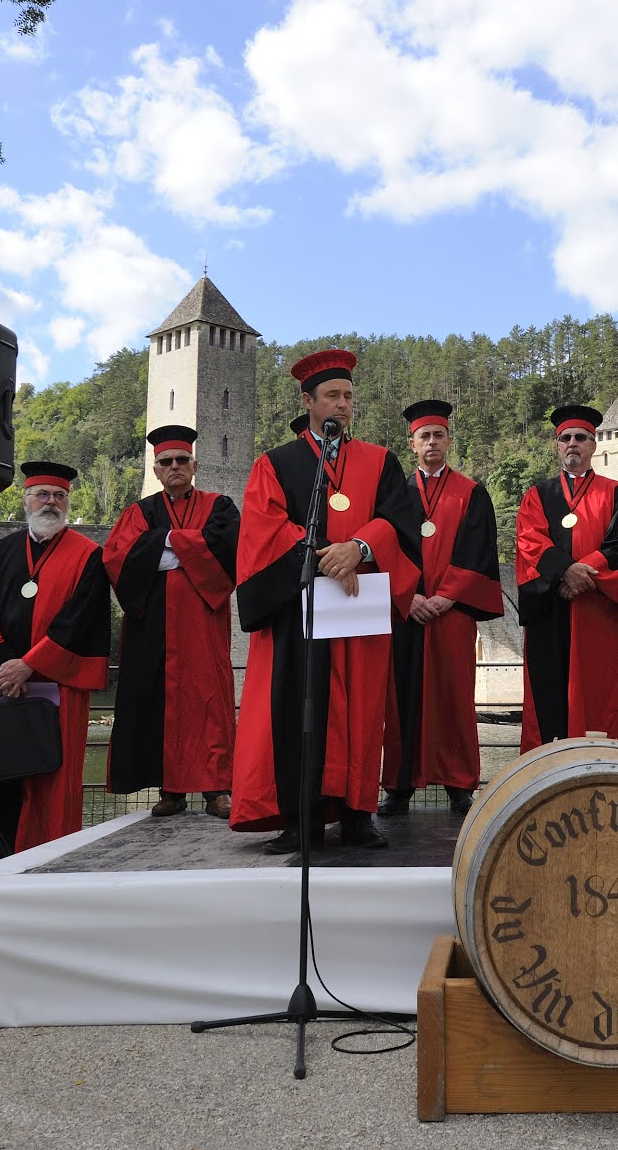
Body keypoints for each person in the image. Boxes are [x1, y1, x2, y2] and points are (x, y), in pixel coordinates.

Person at [230, 348, 421, 856]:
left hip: (358, 612)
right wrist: (321, 558)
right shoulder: (276, 464)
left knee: (361, 710)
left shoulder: (380, 461)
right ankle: (301, 821)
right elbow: (261, 532)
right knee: (300, 707)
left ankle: (359, 814)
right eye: (332, 396)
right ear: (308, 401)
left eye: (349, 397)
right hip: (301, 610)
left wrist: (359, 549)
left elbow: (399, 523)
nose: (342, 404)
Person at [0, 463, 110, 862]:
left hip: (57, 688)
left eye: (59, 496)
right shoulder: (0, 552)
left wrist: (29, 664)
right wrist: (7, 664)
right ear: (25, 500)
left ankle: (43, 872)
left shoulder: (89, 556)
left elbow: (80, 620)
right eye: (42, 494)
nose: (51, 503)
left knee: (51, 789)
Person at [103, 426, 241, 819]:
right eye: (167, 462)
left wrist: (164, 544)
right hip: (154, 629)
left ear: (195, 466)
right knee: (159, 705)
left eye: (182, 460)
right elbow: (119, 559)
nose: (175, 467)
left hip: (203, 626)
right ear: (157, 469)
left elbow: (229, 549)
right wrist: (190, 545)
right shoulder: (139, 512)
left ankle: (217, 789)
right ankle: (171, 790)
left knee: (209, 701)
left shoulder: (220, 506)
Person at [380, 399, 503, 815]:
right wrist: (406, 595)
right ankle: (399, 784)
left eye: (438, 435)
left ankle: (459, 783)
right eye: (423, 436)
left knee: (454, 693)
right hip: (406, 611)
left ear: (449, 440)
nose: (431, 442)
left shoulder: (471, 492)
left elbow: (479, 551)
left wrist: (446, 596)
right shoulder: (395, 495)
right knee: (402, 697)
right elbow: (385, 547)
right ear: (411, 444)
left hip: (452, 612)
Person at [513, 405, 618, 750]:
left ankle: (606, 772)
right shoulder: (538, 495)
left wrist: (582, 573)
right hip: (552, 610)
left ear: (594, 444)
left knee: (603, 694)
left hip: (600, 611)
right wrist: (565, 573)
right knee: (549, 697)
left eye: (580, 438)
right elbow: (529, 541)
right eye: (566, 438)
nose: (573, 443)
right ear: (557, 446)